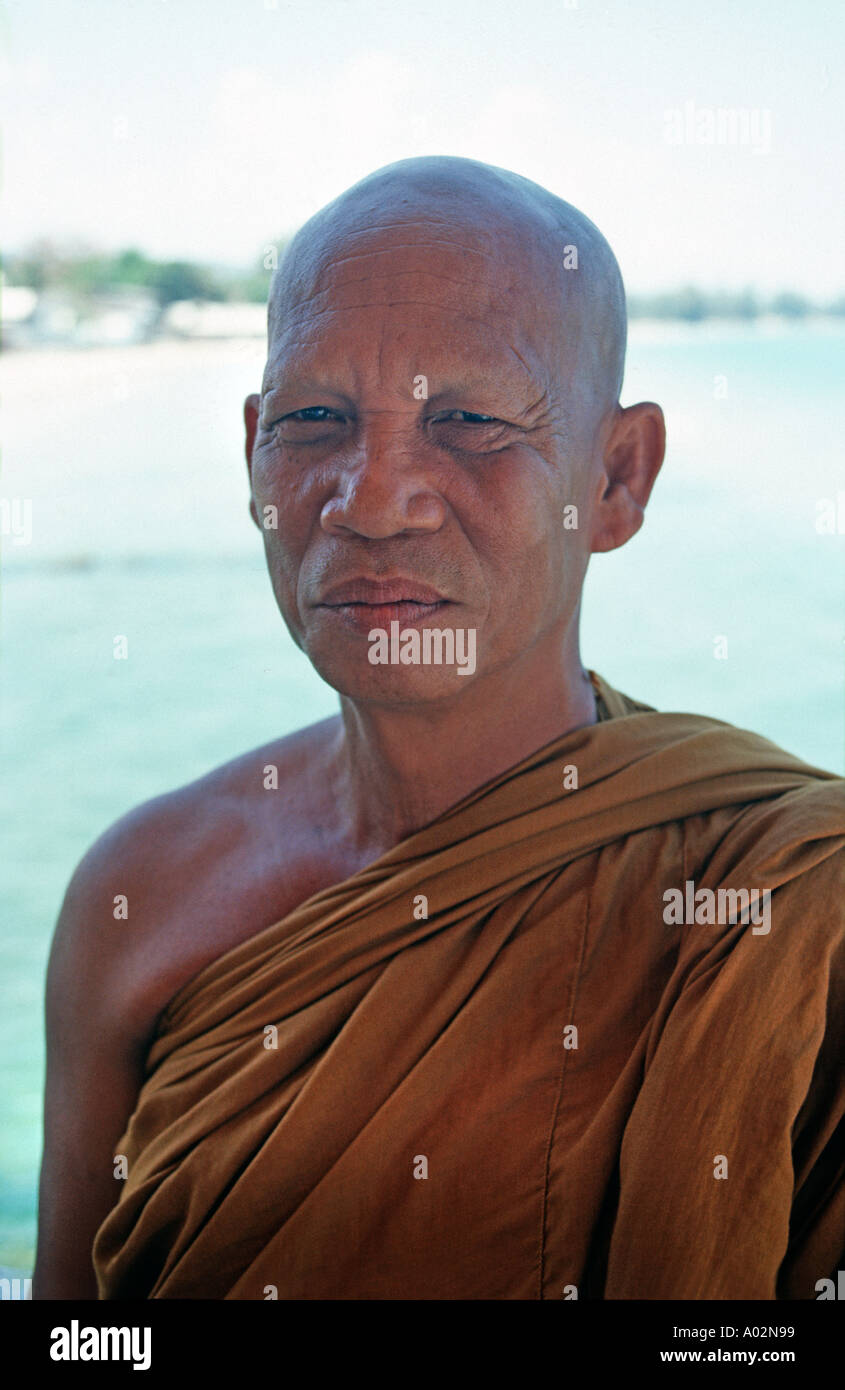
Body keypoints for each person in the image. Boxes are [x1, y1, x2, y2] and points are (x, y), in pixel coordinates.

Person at [33, 156, 844, 1301]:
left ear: (617, 478)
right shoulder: (144, 896)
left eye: (466, 419)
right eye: (315, 420)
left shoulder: (785, 896)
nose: (370, 498)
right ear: (255, 451)